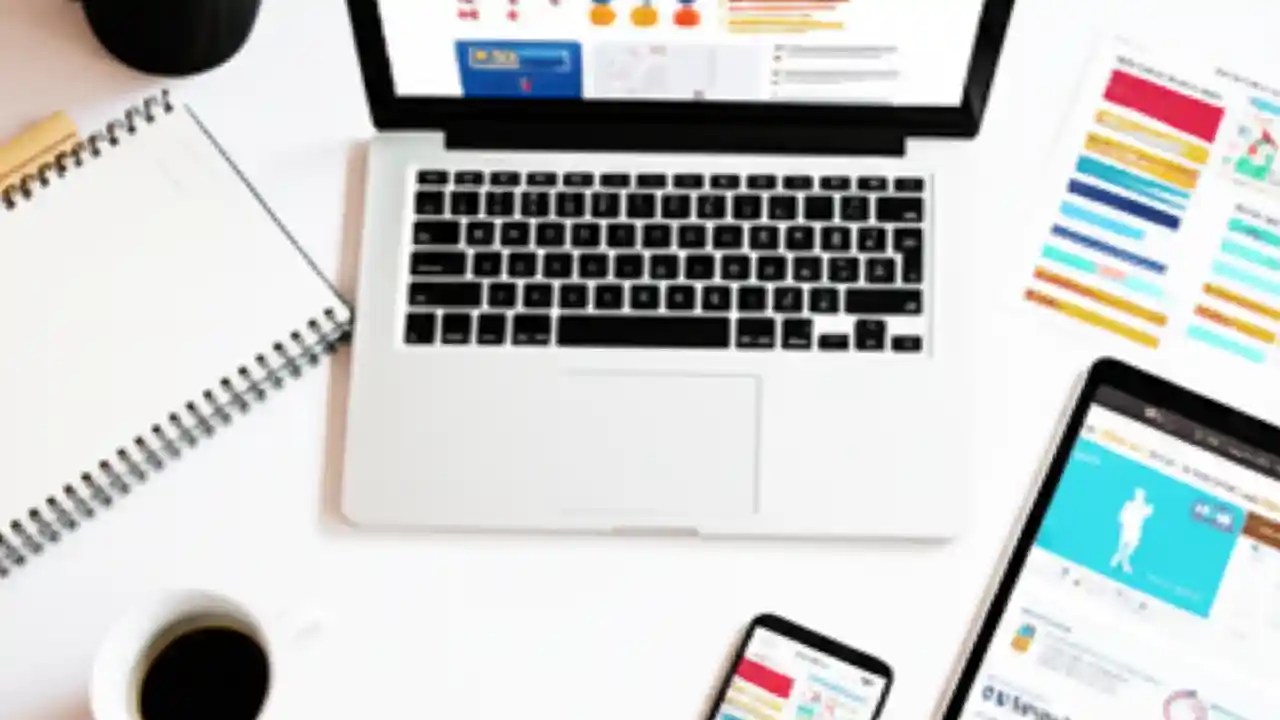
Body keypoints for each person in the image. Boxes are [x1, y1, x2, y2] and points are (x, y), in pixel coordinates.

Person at [1110, 488, 1154, 574]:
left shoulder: (1144, 507)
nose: (1140, 497)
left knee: (1131, 548)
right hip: (1127, 529)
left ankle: (1119, 562)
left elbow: (1147, 513)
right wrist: (1125, 522)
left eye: (1142, 496)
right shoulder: (1129, 504)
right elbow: (1121, 516)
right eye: (1139, 495)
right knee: (1123, 546)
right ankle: (1121, 564)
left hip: (1136, 531)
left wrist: (1149, 510)